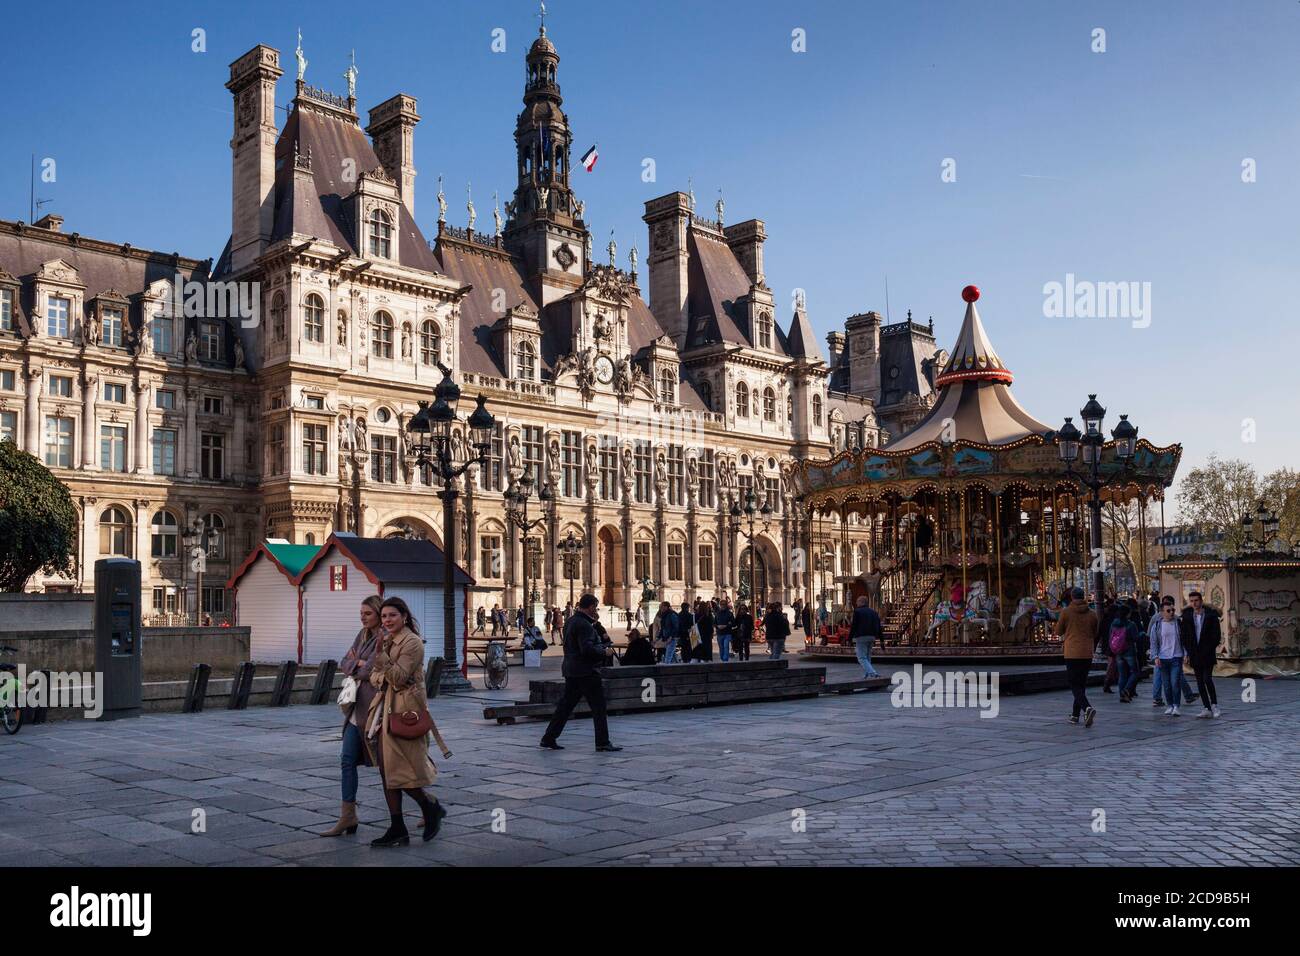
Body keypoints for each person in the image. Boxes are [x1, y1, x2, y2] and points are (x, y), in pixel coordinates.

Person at [365, 597, 446, 847]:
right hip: (386, 708)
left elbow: (398, 677)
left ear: (404, 617)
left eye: (392, 616)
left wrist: (380, 658)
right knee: (386, 770)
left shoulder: (411, 643)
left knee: (400, 771)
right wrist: (383, 672)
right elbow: (374, 676)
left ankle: (429, 806)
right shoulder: (388, 640)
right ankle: (398, 826)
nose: (387, 620)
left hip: (405, 712)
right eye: (385, 616)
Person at [321, 595, 383, 838]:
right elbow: (345, 662)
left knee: (389, 764)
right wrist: (357, 663)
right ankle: (348, 815)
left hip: (374, 708)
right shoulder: (362, 635)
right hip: (355, 708)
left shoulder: (384, 637)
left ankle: (426, 803)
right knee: (347, 759)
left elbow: (372, 669)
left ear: (378, 613)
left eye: (367, 613)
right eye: (361, 613)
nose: (363, 617)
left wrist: (360, 664)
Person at [539, 593, 621, 752]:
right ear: (590, 607)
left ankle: (548, 738)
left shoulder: (571, 621)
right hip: (587, 672)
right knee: (598, 707)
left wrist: (595, 624)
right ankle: (602, 742)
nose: (595, 610)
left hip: (571, 670)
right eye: (595, 608)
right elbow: (587, 650)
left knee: (565, 707)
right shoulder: (583, 625)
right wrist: (604, 652)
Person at [1055, 587, 1098, 727]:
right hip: (1087, 652)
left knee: (1074, 684)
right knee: (1081, 684)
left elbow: (1058, 631)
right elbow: (1095, 631)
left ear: (1072, 597)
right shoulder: (1092, 614)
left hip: (1072, 652)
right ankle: (1075, 715)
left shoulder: (1066, 612)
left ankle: (1087, 707)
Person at [1148, 596, 1196, 708]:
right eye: (1168, 610)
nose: (1171, 612)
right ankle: (1165, 701)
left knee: (1175, 681)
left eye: (1173, 610)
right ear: (1162, 611)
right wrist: (1155, 656)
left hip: (1176, 656)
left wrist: (1185, 653)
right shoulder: (1157, 622)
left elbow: (1183, 639)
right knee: (1166, 682)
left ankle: (1176, 704)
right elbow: (1152, 638)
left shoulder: (1178, 622)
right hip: (1162, 656)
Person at [1181, 590, 1222, 718]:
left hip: (1207, 652)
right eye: (1192, 601)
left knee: (1207, 678)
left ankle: (1214, 704)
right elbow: (1185, 635)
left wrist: (1209, 648)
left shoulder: (1211, 616)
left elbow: (1216, 636)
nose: (1194, 603)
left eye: (1196, 600)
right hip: (1195, 653)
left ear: (1201, 601)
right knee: (1199, 681)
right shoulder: (1187, 617)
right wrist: (1188, 651)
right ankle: (1206, 707)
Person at [1107, 603, 1141, 703]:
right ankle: (1126, 690)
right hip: (1129, 650)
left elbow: (1111, 636)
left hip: (1118, 651)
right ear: (1128, 614)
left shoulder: (1114, 623)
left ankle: (1122, 695)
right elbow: (1136, 638)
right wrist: (1141, 635)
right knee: (1135, 672)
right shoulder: (1131, 624)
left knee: (1122, 674)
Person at [849, 595, 883, 678]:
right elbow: (879, 626)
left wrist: (849, 638)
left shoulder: (857, 612)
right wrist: (881, 640)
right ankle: (867, 674)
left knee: (861, 657)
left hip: (861, 636)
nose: (856, 603)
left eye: (857, 601)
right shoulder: (874, 612)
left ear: (861, 602)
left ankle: (873, 673)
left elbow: (854, 625)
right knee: (867, 656)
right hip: (872, 636)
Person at [714, 597, 736, 662]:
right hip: (719, 633)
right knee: (721, 647)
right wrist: (718, 626)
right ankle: (722, 658)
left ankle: (725, 659)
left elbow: (734, 623)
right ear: (720, 605)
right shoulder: (717, 613)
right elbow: (714, 623)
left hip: (727, 633)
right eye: (721, 604)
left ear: (726, 605)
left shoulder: (730, 613)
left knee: (726, 646)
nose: (723, 606)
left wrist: (726, 625)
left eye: (724, 604)